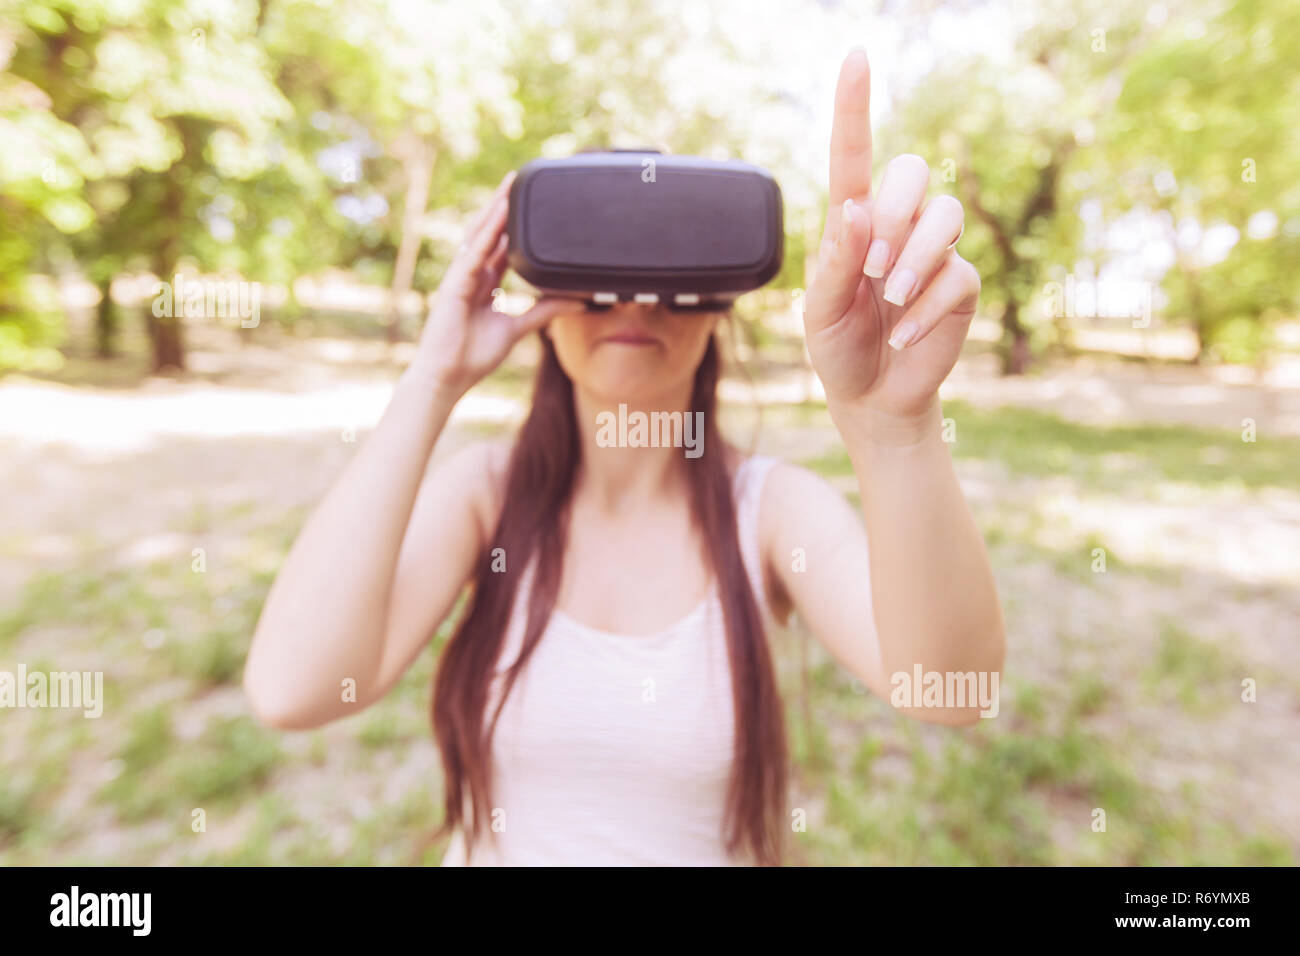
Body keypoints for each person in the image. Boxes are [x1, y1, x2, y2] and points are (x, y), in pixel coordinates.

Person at [244, 48, 1005, 866]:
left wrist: (894, 427)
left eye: (671, 265)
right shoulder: (487, 500)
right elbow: (294, 689)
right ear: (534, 277)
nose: (638, 300)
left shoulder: (769, 511)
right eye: (601, 269)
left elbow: (950, 691)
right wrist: (432, 380)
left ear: (721, 302)